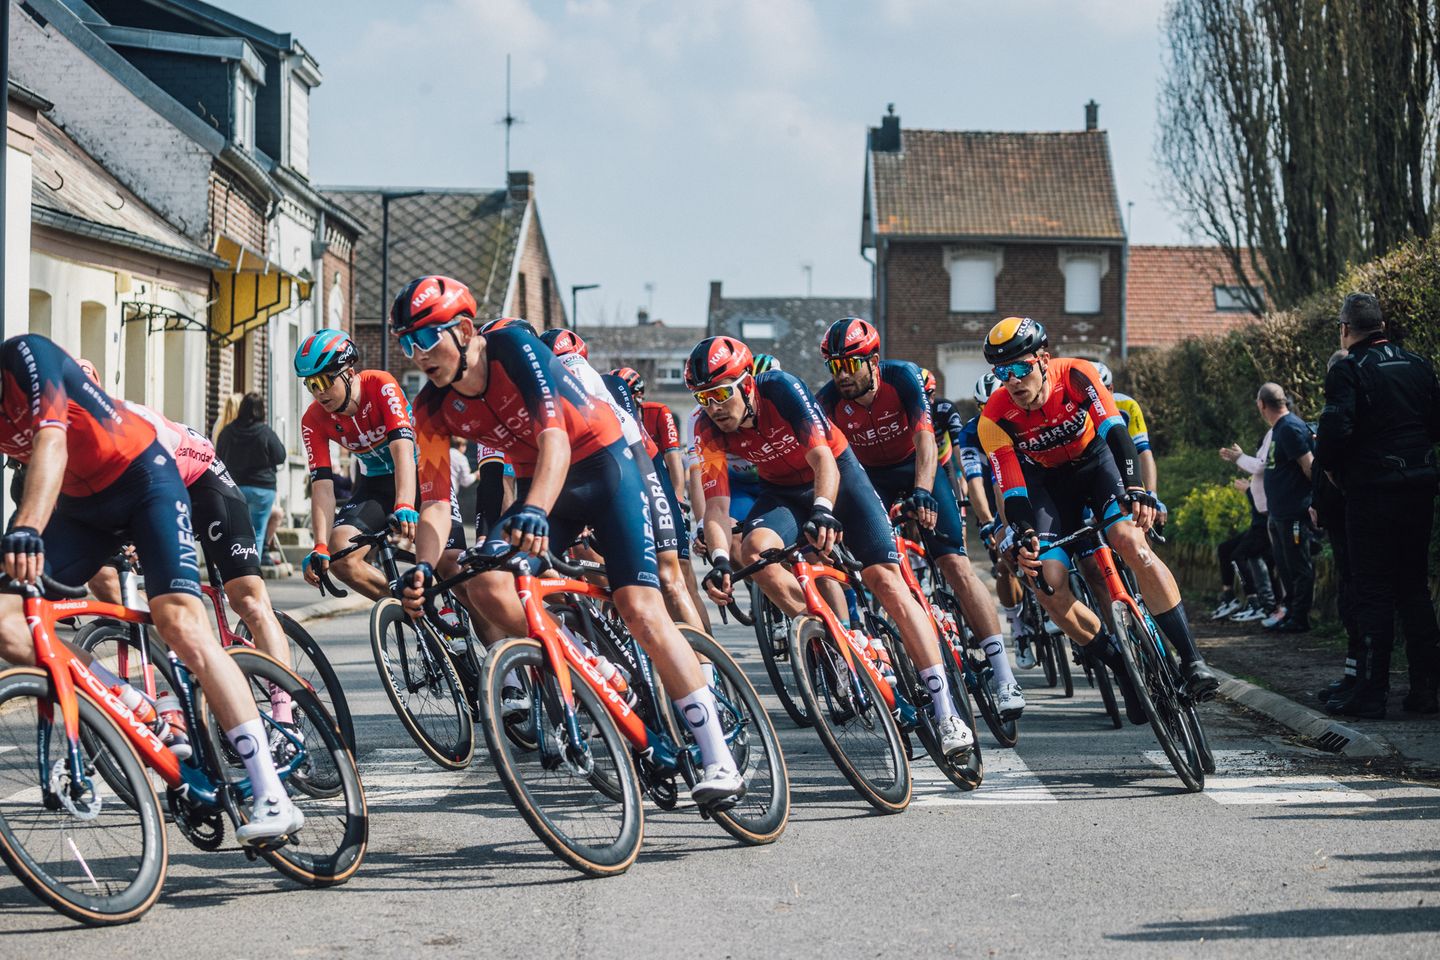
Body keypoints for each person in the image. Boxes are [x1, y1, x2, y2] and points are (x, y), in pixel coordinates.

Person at [392, 276, 745, 806]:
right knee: (486, 584)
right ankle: (592, 666)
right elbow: (438, 502)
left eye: (426, 339)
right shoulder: (431, 410)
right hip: (547, 485)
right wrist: (421, 566)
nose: (417, 355)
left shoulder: (511, 347)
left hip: (604, 465)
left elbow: (554, 435)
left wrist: (533, 508)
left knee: (640, 608)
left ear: (464, 330)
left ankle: (716, 755)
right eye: (406, 344)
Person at [0, 334, 302, 843]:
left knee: (180, 623)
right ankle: (130, 702)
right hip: (81, 509)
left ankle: (272, 792)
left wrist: (26, 525)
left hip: (144, 476)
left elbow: (51, 439)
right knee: (8, 623)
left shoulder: (27, 359)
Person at [691, 334, 975, 759]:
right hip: (783, 493)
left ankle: (946, 710)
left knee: (885, 580)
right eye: (703, 397)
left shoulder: (782, 389)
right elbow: (715, 507)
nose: (713, 406)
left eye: (719, 393)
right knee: (752, 552)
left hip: (838, 481)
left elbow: (824, 459)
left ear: (746, 384)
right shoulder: (706, 428)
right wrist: (716, 560)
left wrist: (824, 510)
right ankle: (837, 640)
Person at [977, 316, 1219, 716]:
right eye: (1003, 373)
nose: (1014, 381)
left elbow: (1116, 434)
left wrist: (1137, 488)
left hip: (1097, 466)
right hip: (1046, 488)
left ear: (1043, 359)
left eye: (1020, 367)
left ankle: (1192, 660)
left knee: (1129, 542)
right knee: (1047, 585)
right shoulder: (994, 418)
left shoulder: (1076, 374)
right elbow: (1013, 488)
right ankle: (1123, 667)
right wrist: (1021, 534)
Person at [814, 317, 1022, 718]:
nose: (841, 375)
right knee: (882, 573)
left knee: (955, 563)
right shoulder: (826, 404)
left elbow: (926, 438)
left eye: (850, 364)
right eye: (834, 366)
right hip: (871, 480)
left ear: (873, 360)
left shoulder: (902, 378)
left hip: (918, 469)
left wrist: (924, 491)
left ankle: (1003, 675)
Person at [1316, 293, 1440, 718]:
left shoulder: (1349, 369)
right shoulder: (1420, 365)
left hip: (1372, 492)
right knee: (1413, 589)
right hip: (1420, 488)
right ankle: (1427, 691)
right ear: (1382, 325)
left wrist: (1334, 472)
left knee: (1372, 592)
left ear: (1345, 329)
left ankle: (1371, 692)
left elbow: (1333, 433)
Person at [294, 328, 467, 603]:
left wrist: (405, 505)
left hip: (421, 472)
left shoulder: (380, 384)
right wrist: (320, 545)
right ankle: (409, 605)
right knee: (341, 555)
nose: (320, 392)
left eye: (325, 381)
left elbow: (403, 451)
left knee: (451, 565)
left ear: (349, 374)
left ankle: (500, 643)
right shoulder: (313, 420)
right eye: (311, 384)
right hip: (375, 484)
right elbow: (323, 486)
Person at [958, 373, 1036, 667]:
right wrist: (990, 521)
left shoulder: (1019, 417)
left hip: (1022, 490)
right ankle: (1018, 631)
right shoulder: (970, 434)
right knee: (1005, 565)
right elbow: (975, 481)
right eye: (983, 407)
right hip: (990, 501)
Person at [1256, 382, 1315, 633]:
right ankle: (1290, 611)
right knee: (1286, 565)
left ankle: (1300, 617)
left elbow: (1309, 466)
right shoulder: (1280, 429)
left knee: (1299, 566)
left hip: (1294, 511)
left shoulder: (1290, 428)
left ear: (1262, 405)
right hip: (1280, 512)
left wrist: (1317, 501)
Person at [1215, 431, 1280, 623]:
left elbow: (1264, 499)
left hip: (1264, 525)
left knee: (1239, 554)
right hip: (1258, 524)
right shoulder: (1263, 464)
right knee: (1225, 548)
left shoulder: (1273, 463)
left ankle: (1256, 601)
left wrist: (1248, 490)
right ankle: (1229, 596)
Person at [216, 392, 286, 552]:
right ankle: (253, 570)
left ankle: (234, 568)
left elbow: (218, 457)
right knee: (258, 532)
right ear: (262, 410)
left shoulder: (227, 432)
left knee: (235, 531)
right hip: (263, 489)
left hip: (234, 488)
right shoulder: (265, 432)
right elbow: (280, 456)